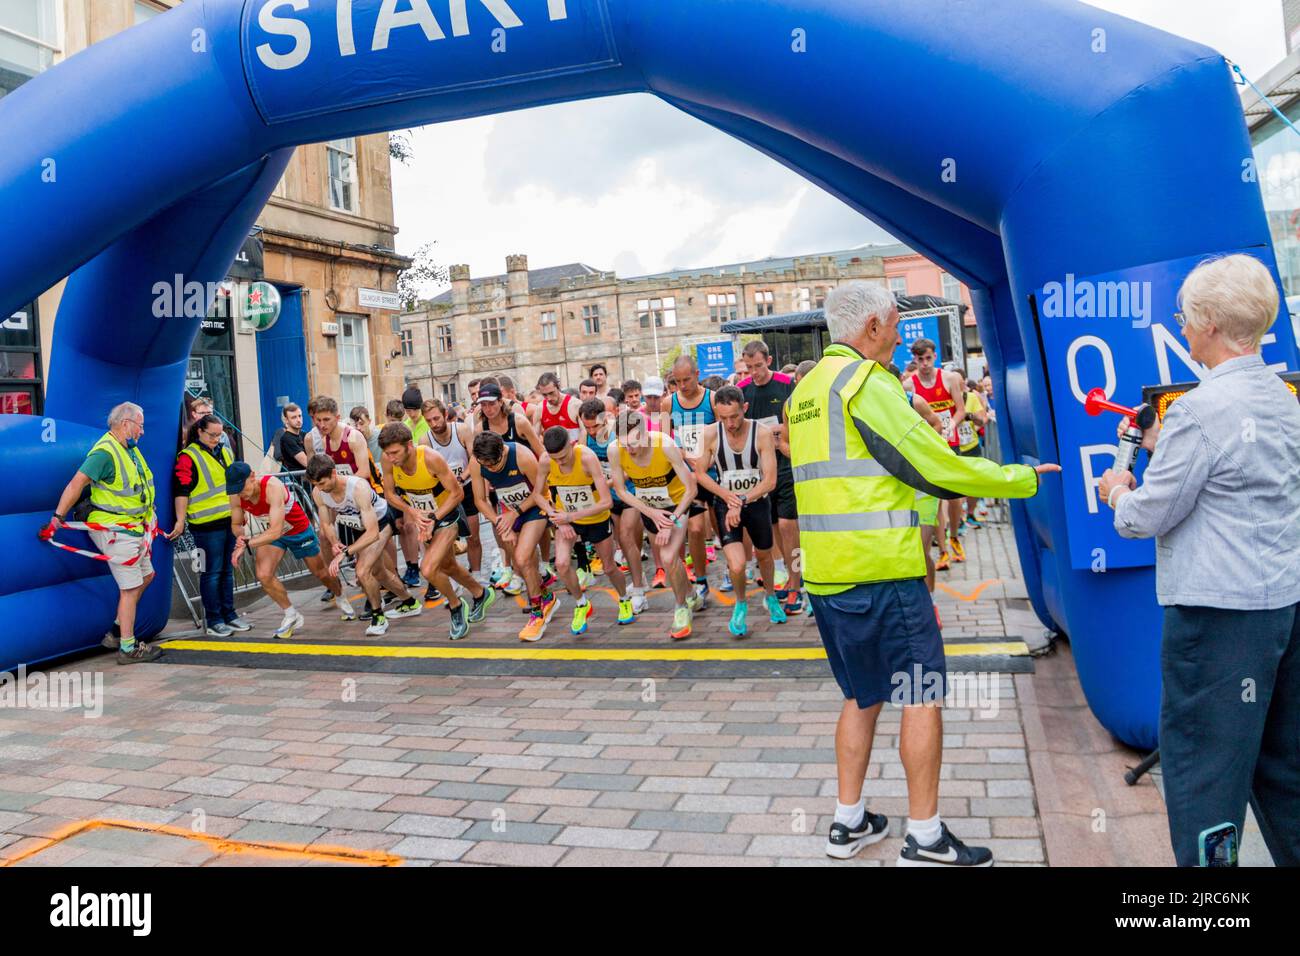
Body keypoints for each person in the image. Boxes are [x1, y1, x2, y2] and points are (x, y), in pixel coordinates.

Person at [790, 282, 1057, 866]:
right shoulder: (867, 384)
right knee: (920, 693)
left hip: (829, 577)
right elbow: (934, 465)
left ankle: (847, 822)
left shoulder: (806, 391)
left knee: (861, 696)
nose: (898, 334)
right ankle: (926, 837)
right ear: (871, 330)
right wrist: (1023, 478)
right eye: (892, 323)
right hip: (882, 572)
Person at [1098, 253, 1300, 867]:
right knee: (1284, 766)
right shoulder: (1286, 396)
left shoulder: (1196, 411)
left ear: (1209, 321)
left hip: (1216, 621)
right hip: (1283, 607)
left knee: (1203, 775)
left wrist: (1117, 484)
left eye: (1185, 315)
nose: (1182, 325)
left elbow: (1143, 518)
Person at [45, 402, 163, 663]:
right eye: (140, 426)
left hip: (134, 528)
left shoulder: (129, 450)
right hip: (115, 530)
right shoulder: (105, 453)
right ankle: (128, 648)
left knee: (148, 575)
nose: (142, 431)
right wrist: (57, 518)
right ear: (125, 424)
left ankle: (117, 631)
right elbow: (77, 483)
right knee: (130, 590)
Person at [380, 423, 497, 640]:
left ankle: (455, 606)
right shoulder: (388, 460)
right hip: (423, 518)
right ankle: (481, 593)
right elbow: (389, 494)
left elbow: (457, 493)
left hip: (446, 515)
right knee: (448, 566)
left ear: (409, 446)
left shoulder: (430, 458)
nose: (391, 457)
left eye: (395, 452)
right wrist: (412, 512)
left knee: (428, 569)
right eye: (387, 453)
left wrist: (434, 517)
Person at [692, 386, 786, 637]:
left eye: (734, 416)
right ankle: (741, 604)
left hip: (756, 502)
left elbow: (770, 481)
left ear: (744, 408)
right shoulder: (710, 433)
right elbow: (700, 473)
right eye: (723, 418)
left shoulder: (762, 433)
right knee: (736, 564)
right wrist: (729, 499)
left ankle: (770, 595)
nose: (730, 423)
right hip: (727, 502)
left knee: (764, 557)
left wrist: (741, 500)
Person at [228, 462, 356, 638]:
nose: (241, 493)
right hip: (273, 534)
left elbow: (276, 530)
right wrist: (240, 537)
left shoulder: (272, 486)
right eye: (236, 490)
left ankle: (340, 595)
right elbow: (236, 524)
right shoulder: (236, 496)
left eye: (242, 488)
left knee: (321, 573)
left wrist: (247, 544)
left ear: (252, 476)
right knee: (263, 574)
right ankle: (291, 614)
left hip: (297, 530)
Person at [534, 425, 636, 632]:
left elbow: (606, 501)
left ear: (572, 445)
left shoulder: (587, 458)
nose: (560, 462)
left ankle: (625, 600)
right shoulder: (546, 461)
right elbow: (537, 495)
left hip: (595, 518)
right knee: (561, 564)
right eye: (555, 459)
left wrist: (569, 516)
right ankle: (582, 604)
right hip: (565, 519)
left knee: (608, 567)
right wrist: (557, 518)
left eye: (563, 457)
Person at [306, 454, 421, 636]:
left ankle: (378, 617)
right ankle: (410, 603)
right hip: (358, 527)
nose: (319, 488)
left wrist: (345, 553)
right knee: (380, 573)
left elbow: (373, 533)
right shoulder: (319, 493)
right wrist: (335, 543)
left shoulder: (358, 487)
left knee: (362, 571)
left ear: (333, 474)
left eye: (321, 483)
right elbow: (326, 523)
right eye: (315, 484)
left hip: (381, 523)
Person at [608, 409, 697, 640]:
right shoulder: (615, 450)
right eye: (624, 443)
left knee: (668, 558)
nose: (629, 449)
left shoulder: (664, 445)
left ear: (646, 433)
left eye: (634, 442)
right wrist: (650, 512)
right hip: (650, 508)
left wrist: (671, 520)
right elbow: (619, 490)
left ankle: (681, 609)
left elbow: (691, 490)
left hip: (676, 506)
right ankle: (691, 593)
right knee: (671, 559)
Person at [469, 431, 558, 642]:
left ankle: (537, 613)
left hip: (534, 506)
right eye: (486, 466)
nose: (490, 469)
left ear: (502, 451)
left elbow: (542, 491)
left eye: (494, 464)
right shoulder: (477, 461)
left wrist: (515, 513)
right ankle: (547, 597)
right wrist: (500, 521)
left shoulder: (522, 456)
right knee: (521, 566)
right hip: (507, 512)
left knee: (522, 557)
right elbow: (480, 500)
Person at [740, 340, 803, 614]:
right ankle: (783, 573)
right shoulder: (742, 390)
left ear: (769, 360)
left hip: (787, 462)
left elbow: (798, 421)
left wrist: (778, 431)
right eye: (749, 367)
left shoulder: (787, 385)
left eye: (758, 365)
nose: (754, 372)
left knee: (790, 526)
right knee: (774, 525)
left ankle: (797, 583)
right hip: (761, 469)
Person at [171, 413, 248, 636]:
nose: (217, 438)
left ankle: (229, 614)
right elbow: (182, 490)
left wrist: (241, 512)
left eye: (219, 434)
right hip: (205, 525)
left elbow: (235, 485)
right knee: (211, 572)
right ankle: (214, 620)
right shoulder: (187, 457)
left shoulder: (225, 450)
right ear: (199, 432)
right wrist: (180, 520)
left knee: (226, 571)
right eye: (212, 435)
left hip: (228, 520)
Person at [579, 398, 650, 615]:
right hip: (609, 497)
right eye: (587, 426)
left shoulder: (616, 437)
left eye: (595, 426)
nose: (591, 431)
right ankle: (641, 580)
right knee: (624, 543)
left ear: (606, 419)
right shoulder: (586, 437)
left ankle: (638, 592)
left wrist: (603, 484)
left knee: (628, 537)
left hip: (630, 492)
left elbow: (630, 468)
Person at [908, 338, 968, 569]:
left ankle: (954, 536)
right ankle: (942, 549)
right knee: (936, 501)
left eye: (928, 358)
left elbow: (961, 410)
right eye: (919, 359)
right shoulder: (909, 385)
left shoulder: (950, 379)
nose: (924, 363)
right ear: (914, 359)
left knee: (954, 496)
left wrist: (951, 423)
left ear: (935, 356)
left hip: (950, 441)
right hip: (928, 447)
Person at [664, 355, 716, 605]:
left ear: (697, 374)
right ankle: (701, 579)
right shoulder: (668, 404)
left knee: (722, 527)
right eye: (677, 381)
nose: (683, 385)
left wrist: (705, 459)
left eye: (687, 379)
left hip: (712, 474)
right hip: (686, 477)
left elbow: (720, 436)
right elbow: (665, 442)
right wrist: (684, 455)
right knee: (694, 530)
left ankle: (735, 568)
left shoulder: (712, 399)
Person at [424, 397, 483, 577]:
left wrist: (461, 477)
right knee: (447, 542)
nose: (433, 424)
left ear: (445, 415)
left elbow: (474, 458)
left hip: (466, 487)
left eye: (436, 418)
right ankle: (455, 578)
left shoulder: (462, 430)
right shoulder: (425, 441)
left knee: (473, 536)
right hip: (444, 494)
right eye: (428, 421)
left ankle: (477, 575)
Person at [534, 372, 582, 441]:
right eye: (544, 395)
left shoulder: (576, 404)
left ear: (558, 387)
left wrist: (579, 451)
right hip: (552, 451)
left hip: (574, 450)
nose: (549, 398)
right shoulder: (540, 408)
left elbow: (584, 432)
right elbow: (535, 438)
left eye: (551, 393)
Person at [276, 402, 310, 471]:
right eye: (294, 417)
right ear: (286, 420)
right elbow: (306, 463)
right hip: (298, 479)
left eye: (300, 416)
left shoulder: (304, 434)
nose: (298, 420)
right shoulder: (287, 438)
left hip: (309, 477)